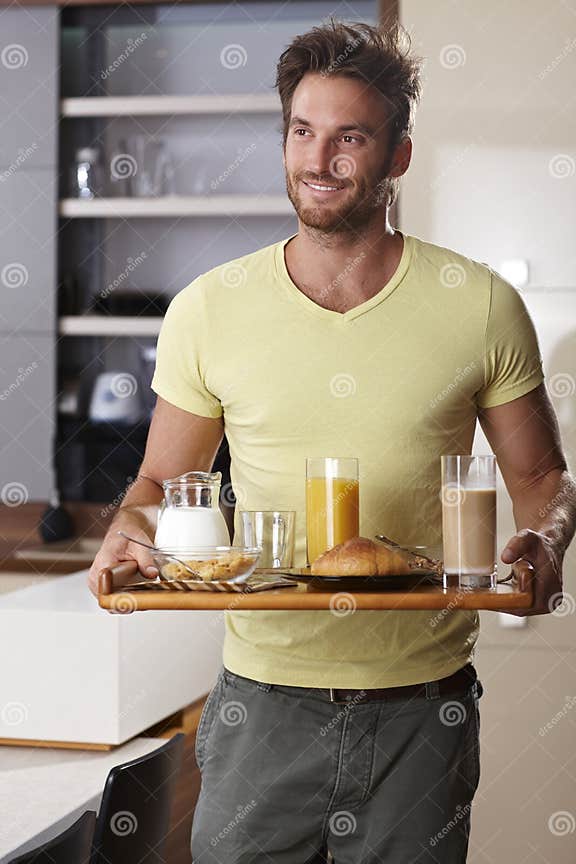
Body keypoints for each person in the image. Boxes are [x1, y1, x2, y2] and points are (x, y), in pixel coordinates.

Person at [88, 19, 576, 863]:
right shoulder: (209, 308)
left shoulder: (481, 304)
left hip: (424, 710)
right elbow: (163, 485)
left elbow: (542, 478)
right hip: (260, 707)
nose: (319, 161)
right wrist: (130, 531)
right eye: (302, 134)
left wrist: (546, 540)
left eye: (350, 137)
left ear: (399, 157)